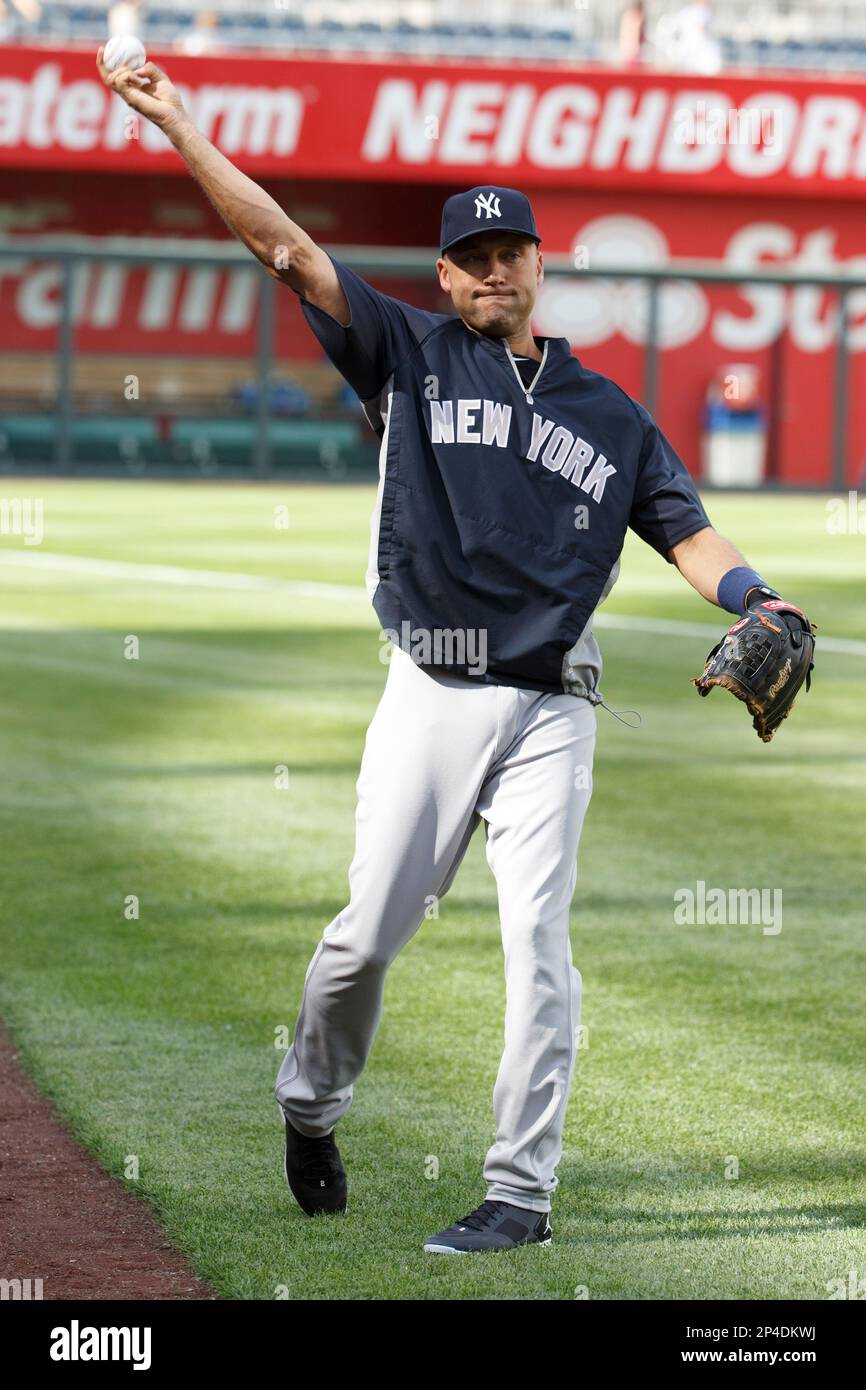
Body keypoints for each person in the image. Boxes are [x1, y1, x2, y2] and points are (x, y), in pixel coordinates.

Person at [96, 50, 805, 1254]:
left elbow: (684, 531)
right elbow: (287, 251)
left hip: (554, 708)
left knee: (538, 944)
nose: (488, 271)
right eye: (467, 258)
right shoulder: (408, 353)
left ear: (536, 265)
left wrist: (759, 596)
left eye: (506, 254)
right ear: (444, 275)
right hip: (429, 684)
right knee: (367, 934)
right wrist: (182, 129)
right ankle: (311, 1106)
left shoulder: (611, 416)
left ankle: (518, 1193)